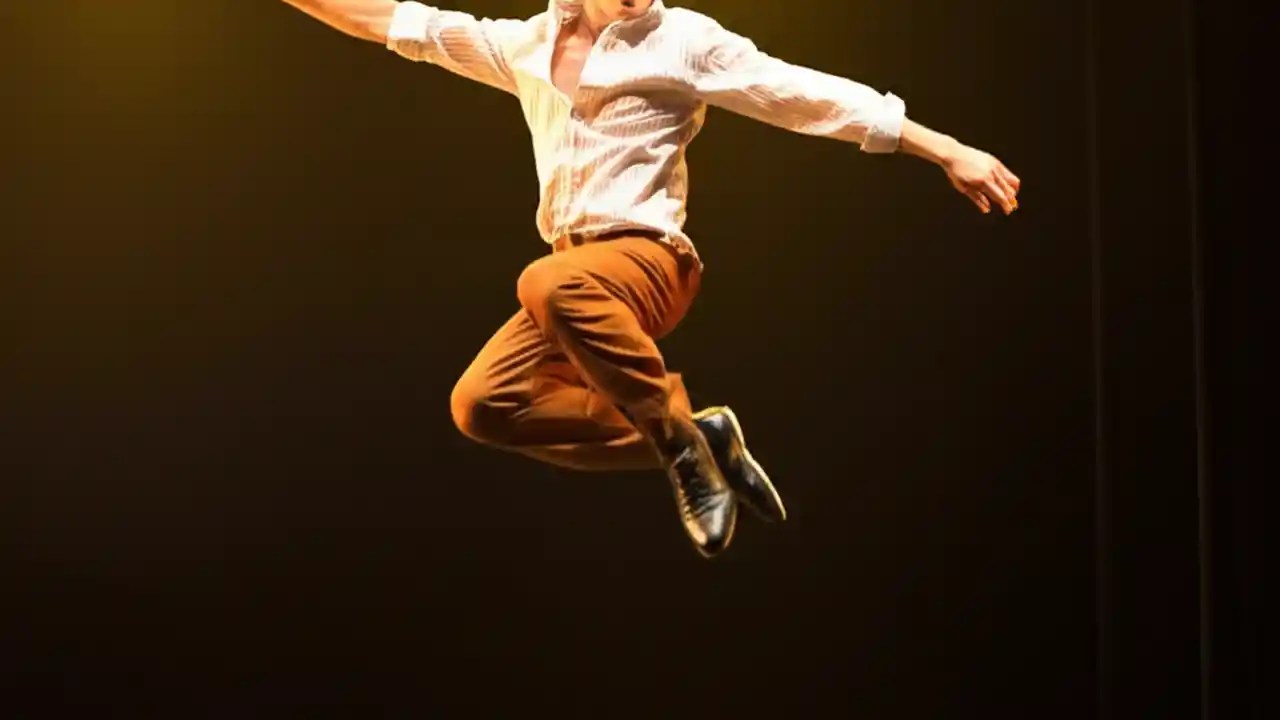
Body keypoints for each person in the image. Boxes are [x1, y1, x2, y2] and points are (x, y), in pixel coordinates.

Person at [279, 0, 1021, 558]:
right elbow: (391, 21)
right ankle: (697, 436)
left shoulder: (681, 40)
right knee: (482, 405)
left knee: (546, 282)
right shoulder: (522, 46)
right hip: (573, 283)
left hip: (649, 262)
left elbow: (802, 93)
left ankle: (674, 444)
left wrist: (945, 148)